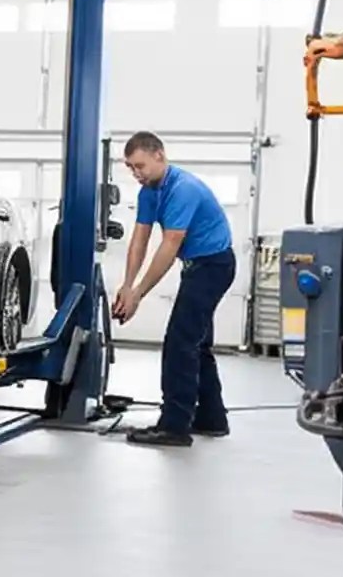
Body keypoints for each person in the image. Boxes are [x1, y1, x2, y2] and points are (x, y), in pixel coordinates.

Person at [112, 131, 236, 447]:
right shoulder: (149, 192)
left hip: (213, 267)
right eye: (130, 168)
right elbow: (139, 239)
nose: (136, 174)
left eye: (140, 166)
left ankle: (174, 427)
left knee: (180, 344)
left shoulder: (184, 190)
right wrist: (127, 286)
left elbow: (169, 246)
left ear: (159, 156)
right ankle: (211, 419)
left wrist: (140, 292)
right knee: (196, 343)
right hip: (198, 266)